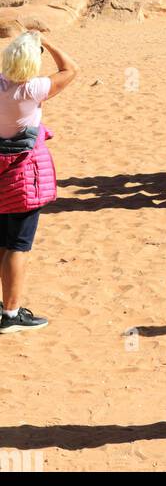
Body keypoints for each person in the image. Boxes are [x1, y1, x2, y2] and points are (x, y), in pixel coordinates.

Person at [0, 29, 78, 333]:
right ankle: (11, 313)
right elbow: (71, 69)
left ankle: (5, 307)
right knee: (19, 245)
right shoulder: (32, 89)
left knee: (2, 241)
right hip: (22, 175)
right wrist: (46, 41)